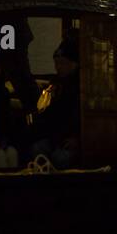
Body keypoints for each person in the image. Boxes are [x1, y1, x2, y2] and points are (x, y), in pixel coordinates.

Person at [29, 38, 81, 169]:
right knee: (37, 149)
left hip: (73, 139)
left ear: (73, 64)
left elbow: (84, 117)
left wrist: (78, 138)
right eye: (56, 63)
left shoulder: (81, 86)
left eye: (62, 63)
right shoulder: (55, 85)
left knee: (60, 158)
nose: (58, 67)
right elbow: (47, 112)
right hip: (55, 138)